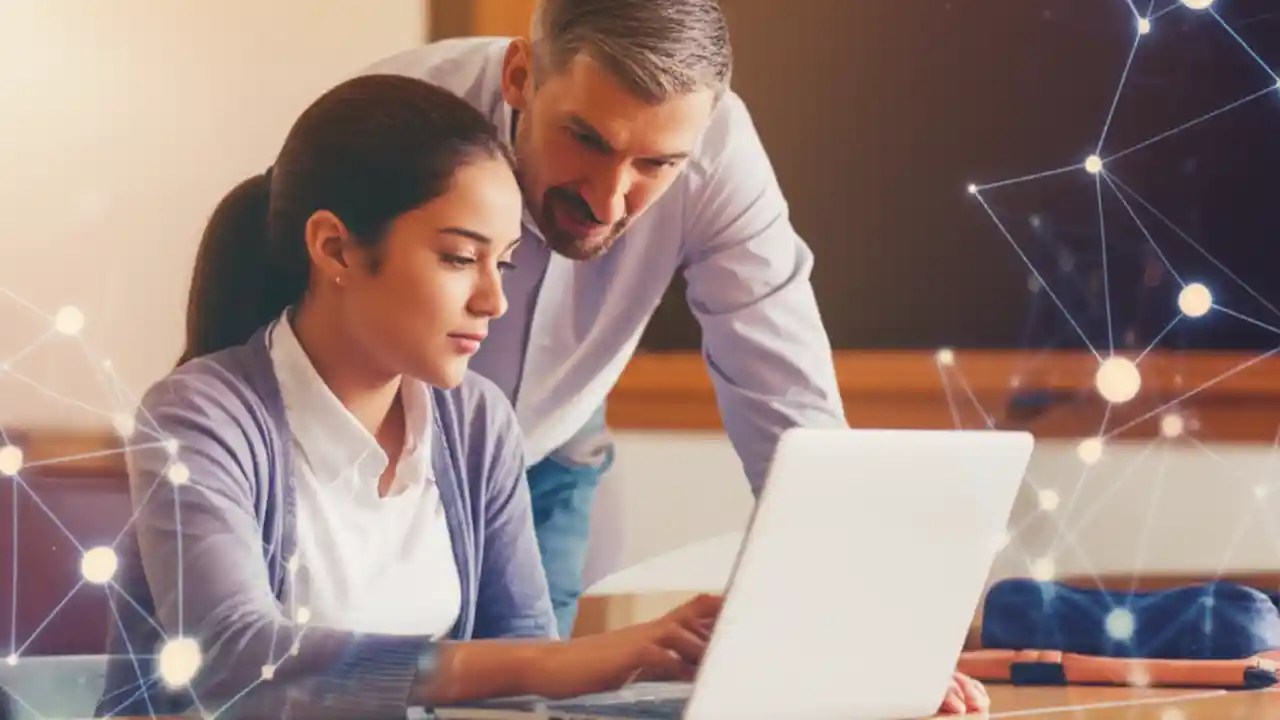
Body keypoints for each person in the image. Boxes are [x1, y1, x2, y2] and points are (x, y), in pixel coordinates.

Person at [96, 74, 724, 720]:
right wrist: (553, 662)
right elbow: (235, 661)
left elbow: (521, 662)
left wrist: (638, 665)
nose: (494, 301)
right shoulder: (199, 416)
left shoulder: (477, 421)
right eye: (459, 258)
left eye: (504, 262)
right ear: (335, 249)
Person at [362, 0, 851, 640]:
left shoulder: (717, 153)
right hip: (373, 468)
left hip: (550, 450)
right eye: (587, 139)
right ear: (520, 76)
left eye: (657, 164)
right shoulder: (387, 120)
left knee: (526, 687)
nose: (608, 201)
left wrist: (868, 637)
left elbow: (788, 404)